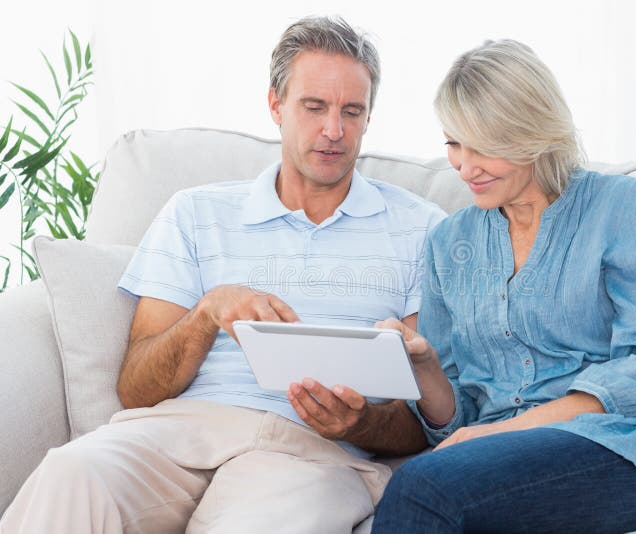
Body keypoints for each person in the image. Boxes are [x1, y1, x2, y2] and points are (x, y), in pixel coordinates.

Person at [1, 16, 443, 533]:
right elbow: (136, 389)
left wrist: (363, 422)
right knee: (71, 474)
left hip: (311, 455)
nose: (333, 131)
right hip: (178, 434)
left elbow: (426, 418)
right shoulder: (195, 213)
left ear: (369, 117)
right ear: (276, 105)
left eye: (352, 111)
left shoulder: (421, 229)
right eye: (314, 107)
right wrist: (207, 313)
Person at [371, 39, 636, 534]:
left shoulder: (619, 206)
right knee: (433, 487)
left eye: (483, 145)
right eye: (453, 143)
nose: (464, 166)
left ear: (532, 132)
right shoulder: (448, 242)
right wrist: (425, 368)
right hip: (494, 458)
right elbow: (454, 413)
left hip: (612, 448)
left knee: (423, 489)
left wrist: (505, 430)